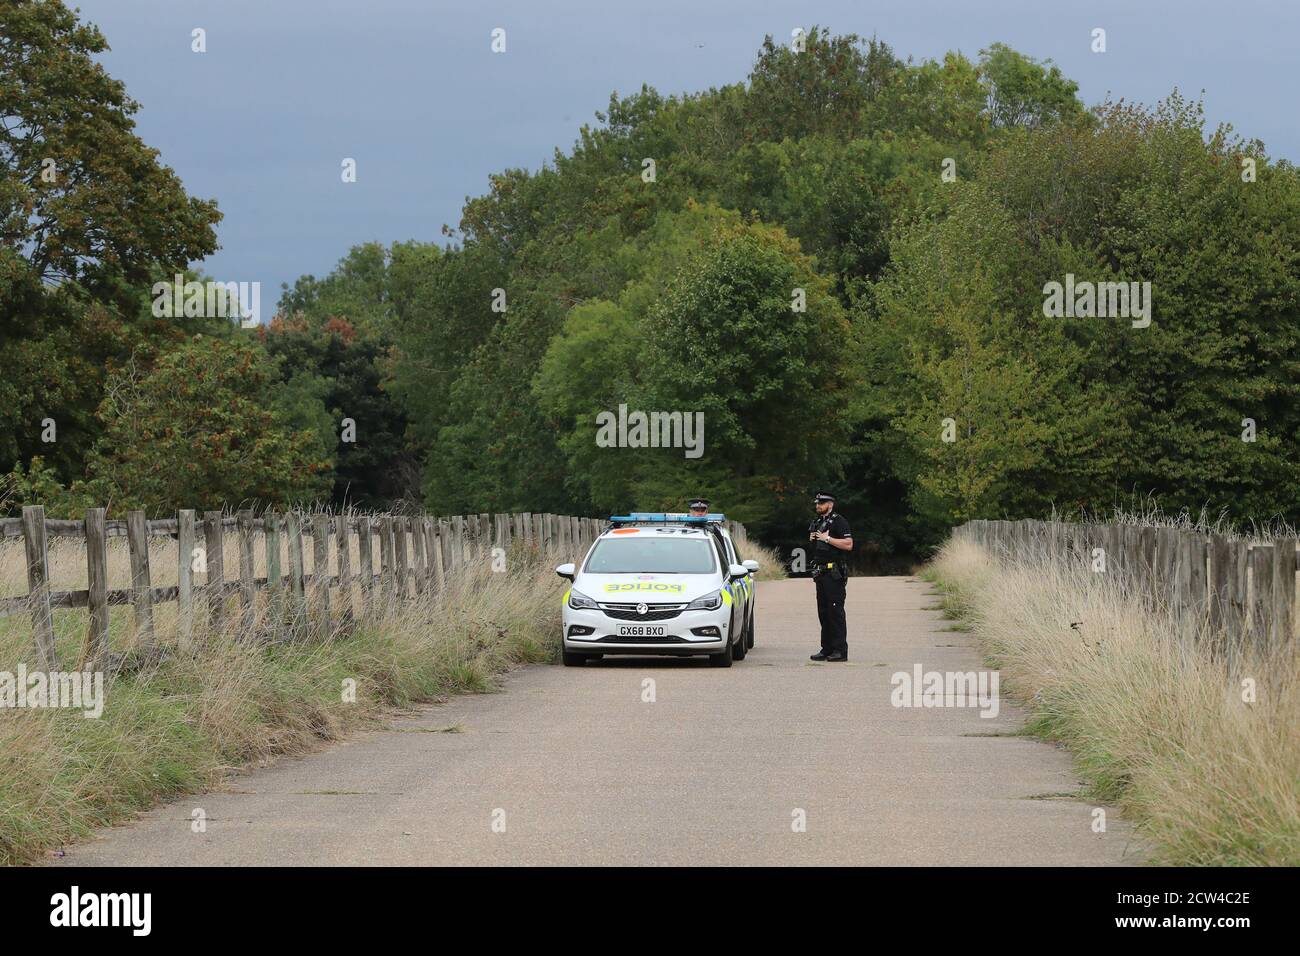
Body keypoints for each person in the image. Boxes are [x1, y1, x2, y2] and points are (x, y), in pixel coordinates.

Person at [808, 491, 852, 662]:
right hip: (821, 573)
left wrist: (828, 539)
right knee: (824, 612)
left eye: (822, 502)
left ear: (831, 504)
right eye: (817, 503)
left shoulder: (839, 521)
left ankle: (840, 651)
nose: (818, 505)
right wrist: (813, 538)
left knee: (835, 612)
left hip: (834, 574)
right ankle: (826, 649)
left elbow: (848, 544)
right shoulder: (818, 522)